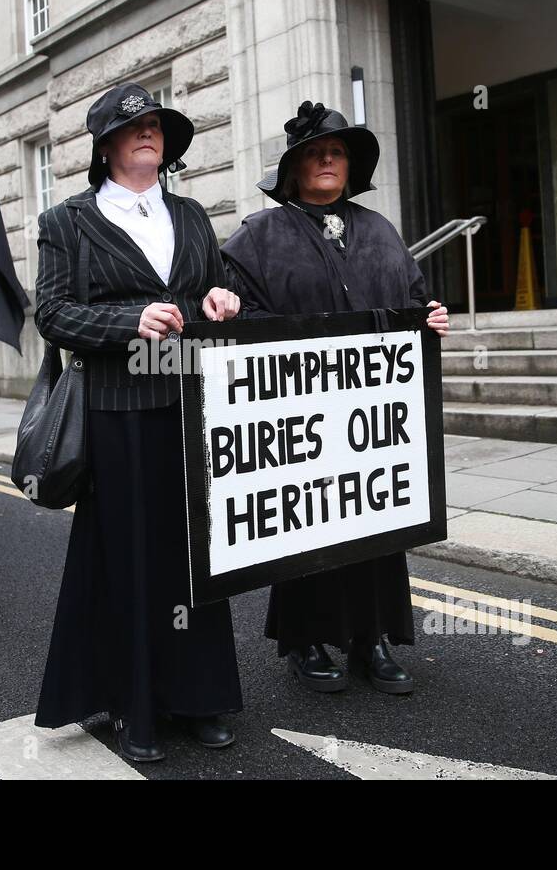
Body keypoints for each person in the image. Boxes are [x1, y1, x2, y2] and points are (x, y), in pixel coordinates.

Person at [32, 82, 243, 763]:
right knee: (129, 559)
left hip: (188, 406)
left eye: (154, 124)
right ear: (106, 147)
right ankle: (135, 703)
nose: (147, 132)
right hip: (115, 412)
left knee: (192, 556)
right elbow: (54, 315)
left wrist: (215, 297)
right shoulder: (67, 221)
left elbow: (206, 290)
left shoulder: (191, 214)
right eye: (133, 127)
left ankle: (200, 694)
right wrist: (129, 321)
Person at [221, 100, 450, 695]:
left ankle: (372, 637)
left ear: (350, 166)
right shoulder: (256, 237)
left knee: (376, 522)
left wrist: (430, 317)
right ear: (294, 167)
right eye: (316, 152)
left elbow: (414, 299)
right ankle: (306, 640)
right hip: (299, 411)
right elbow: (240, 318)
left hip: (373, 413)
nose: (328, 159)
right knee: (308, 522)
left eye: (338, 152)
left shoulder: (379, 230)